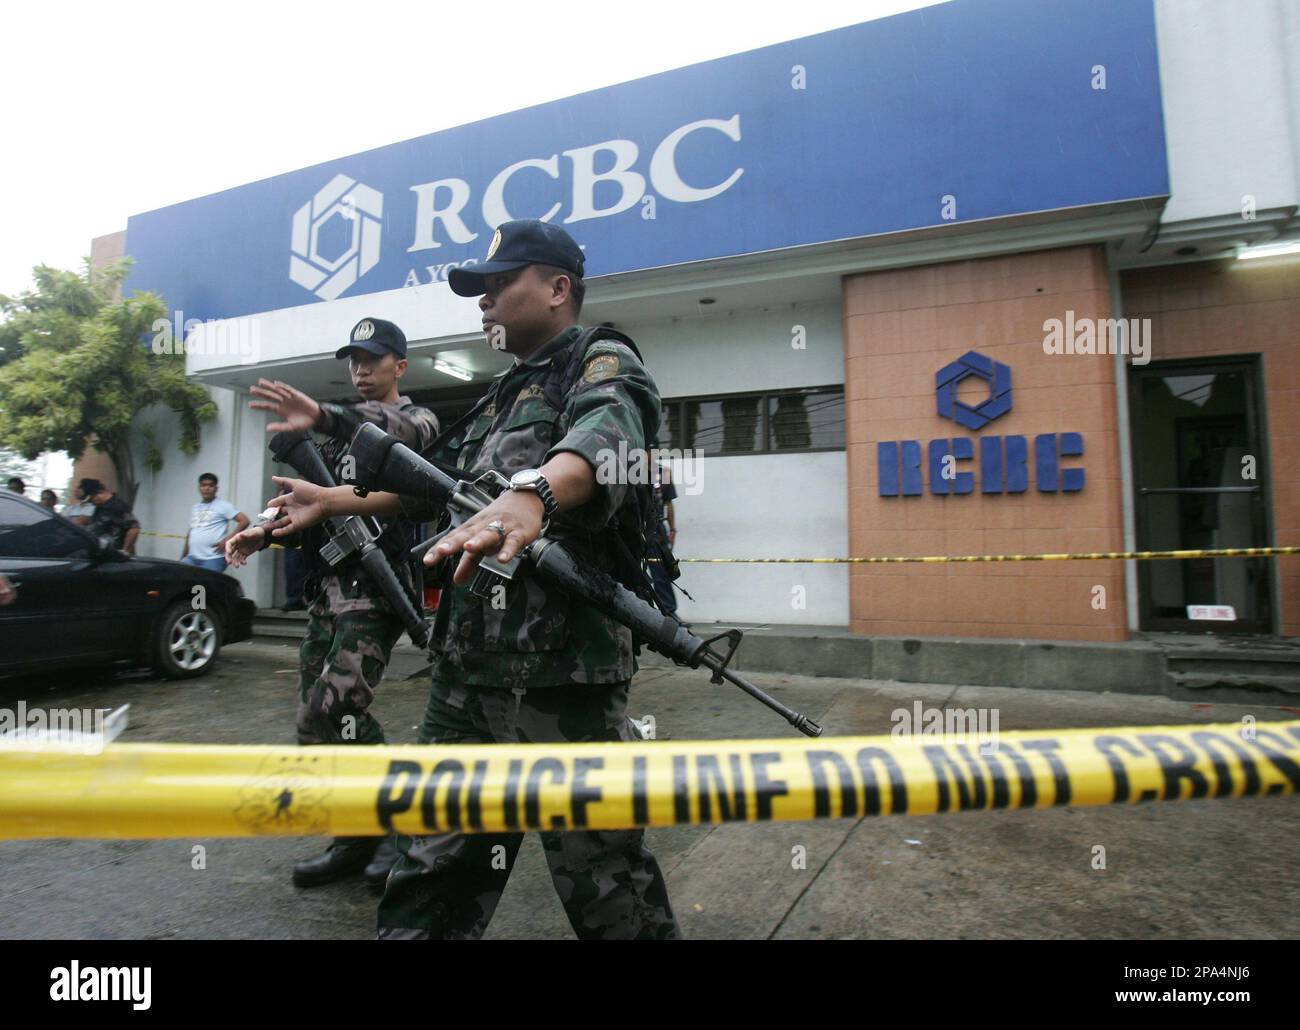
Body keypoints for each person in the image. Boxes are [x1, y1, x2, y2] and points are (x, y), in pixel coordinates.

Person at [258, 219, 681, 940]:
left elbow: (606, 438)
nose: (482, 302)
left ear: (557, 288)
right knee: (428, 875)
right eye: (477, 289)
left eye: (497, 285)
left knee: (608, 884)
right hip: (466, 677)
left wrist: (535, 494)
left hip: (564, 685)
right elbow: (431, 480)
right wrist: (326, 490)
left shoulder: (602, 361)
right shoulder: (503, 393)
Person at [226, 316, 438, 890]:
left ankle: (394, 828)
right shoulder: (326, 443)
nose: (361, 369)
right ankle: (355, 836)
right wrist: (263, 532)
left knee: (336, 705)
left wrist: (328, 420)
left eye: (373, 359)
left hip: (378, 591)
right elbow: (302, 505)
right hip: (327, 594)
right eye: (353, 360)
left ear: (400, 365)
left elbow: (403, 458)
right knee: (311, 720)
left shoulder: (416, 421)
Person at [180, 473, 247, 571]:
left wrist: (227, 540)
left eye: (210, 485)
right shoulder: (196, 507)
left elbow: (244, 521)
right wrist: (183, 557)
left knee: (207, 585)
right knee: (182, 581)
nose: (207, 488)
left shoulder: (224, 506)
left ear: (216, 488)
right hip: (192, 558)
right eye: (203, 485)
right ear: (199, 488)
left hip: (213, 558)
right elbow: (191, 533)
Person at [648, 463, 678, 617]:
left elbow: (668, 502)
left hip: (657, 527)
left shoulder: (663, 473)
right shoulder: (631, 470)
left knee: (662, 571)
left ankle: (668, 611)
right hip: (637, 527)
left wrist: (672, 529)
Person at [80, 479, 139, 553]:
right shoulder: (101, 507)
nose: (92, 503)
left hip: (113, 556)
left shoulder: (117, 506)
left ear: (100, 493)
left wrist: (124, 551)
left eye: (91, 499)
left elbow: (134, 529)